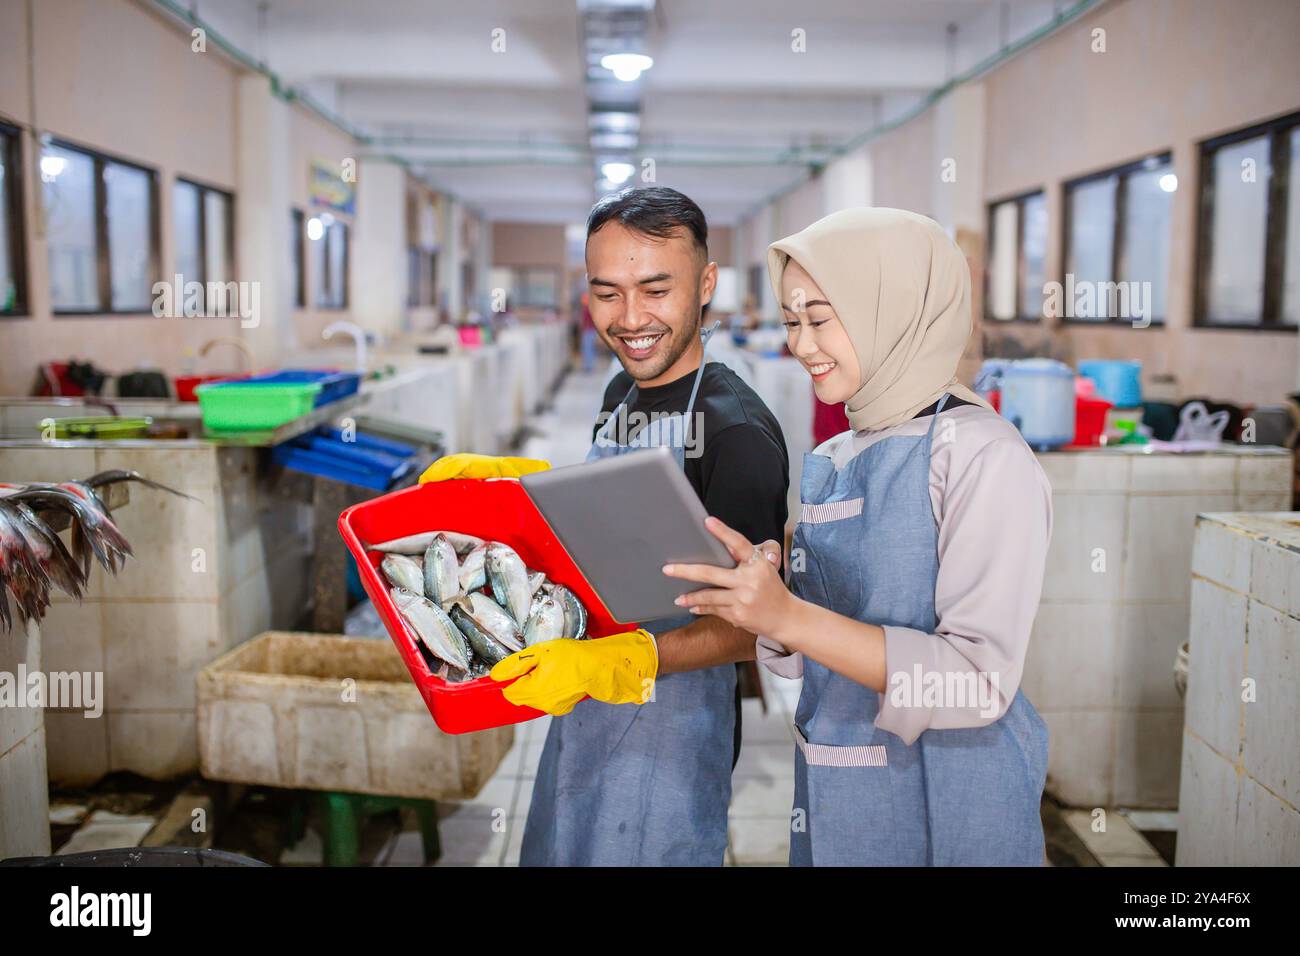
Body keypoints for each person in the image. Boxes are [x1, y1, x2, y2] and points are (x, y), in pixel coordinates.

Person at [658, 207, 1053, 865]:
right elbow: (822, 631)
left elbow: (978, 681)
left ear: (894, 310)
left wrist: (790, 615)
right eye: (791, 322)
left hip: (950, 795)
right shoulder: (841, 452)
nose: (801, 345)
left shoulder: (983, 456)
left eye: (819, 320)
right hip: (841, 783)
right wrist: (766, 603)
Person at [427, 187, 789, 866]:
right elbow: (612, 522)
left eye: (656, 289)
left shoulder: (736, 429)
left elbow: (757, 628)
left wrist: (630, 660)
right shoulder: (620, 391)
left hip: (673, 733)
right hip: (590, 705)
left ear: (706, 284)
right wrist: (522, 491)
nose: (630, 318)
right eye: (607, 292)